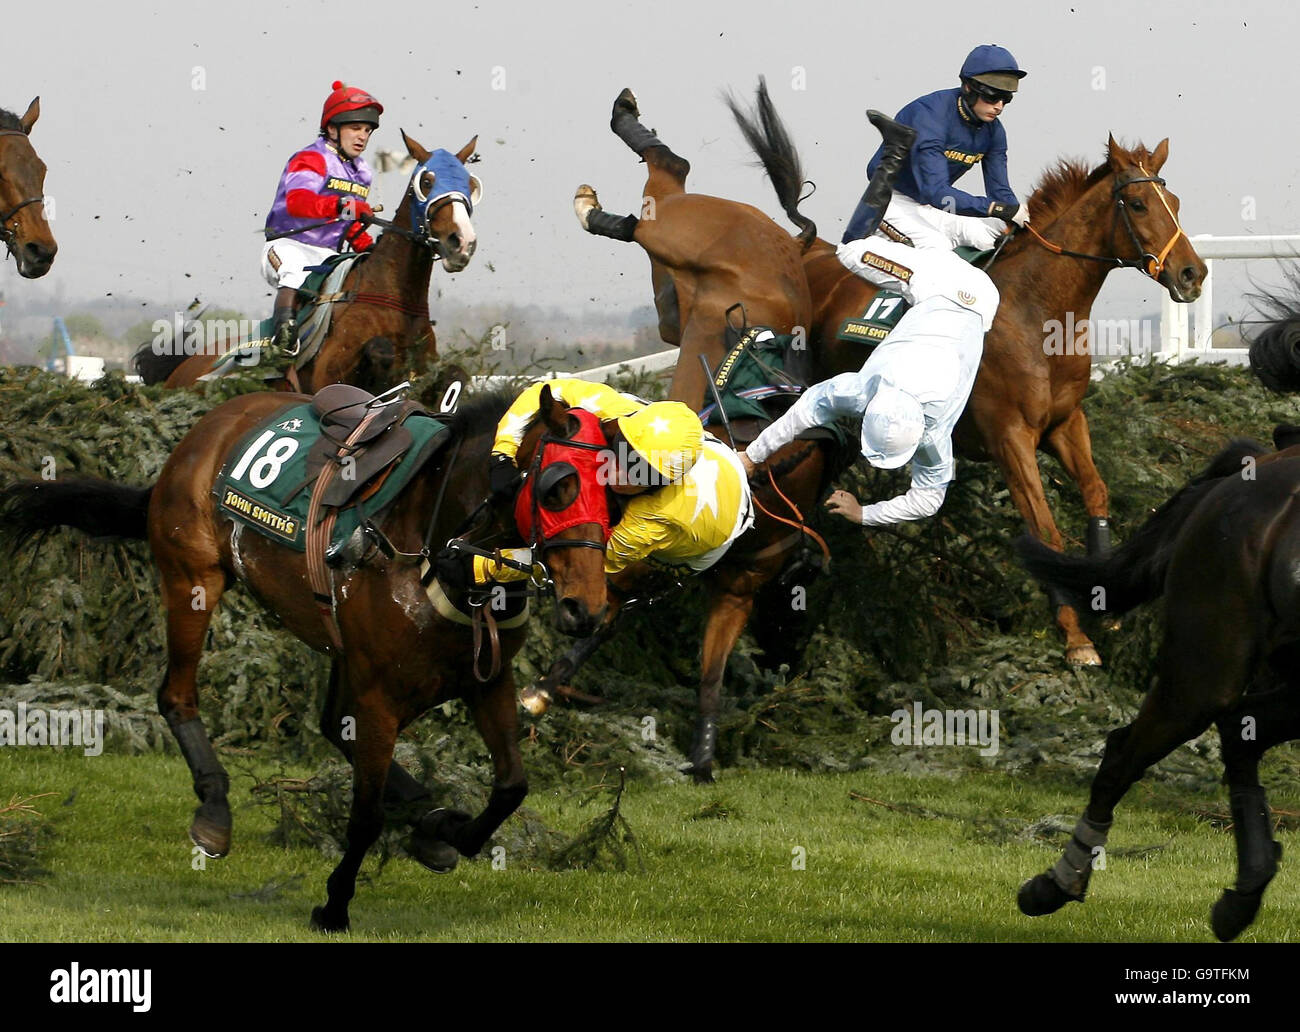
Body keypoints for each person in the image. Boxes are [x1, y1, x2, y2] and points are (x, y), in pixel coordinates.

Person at [741, 238, 998, 527]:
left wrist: (752, 456)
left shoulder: (866, 392)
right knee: (853, 252)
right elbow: (928, 499)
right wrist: (753, 456)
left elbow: (806, 411)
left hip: (972, 294)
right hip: (962, 290)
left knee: (853, 251)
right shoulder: (929, 433)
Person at [452, 378, 754, 587]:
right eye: (625, 453)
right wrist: (502, 454)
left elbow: (582, 560)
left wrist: (483, 567)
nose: (620, 475)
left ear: (663, 483)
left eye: (643, 474)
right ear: (622, 430)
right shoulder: (617, 411)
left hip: (706, 545)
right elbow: (542, 391)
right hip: (713, 454)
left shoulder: (654, 518)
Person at [842, 44, 1030, 250]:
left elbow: (1000, 191)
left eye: (1006, 98)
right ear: (968, 87)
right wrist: (997, 208)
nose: (999, 106)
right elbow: (936, 191)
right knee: (936, 245)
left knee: (989, 239)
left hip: (930, 206)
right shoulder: (930, 115)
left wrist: (1021, 215)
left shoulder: (994, 131)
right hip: (890, 202)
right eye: (992, 96)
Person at [261, 81, 382, 350]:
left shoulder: (363, 172)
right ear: (332, 129)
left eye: (367, 130)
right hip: (288, 245)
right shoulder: (310, 158)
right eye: (355, 128)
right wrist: (344, 205)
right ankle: (281, 341)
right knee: (294, 271)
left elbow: (347, 221)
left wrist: (368, 247)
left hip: (329, 255)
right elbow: (298, 203)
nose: (362, 137)